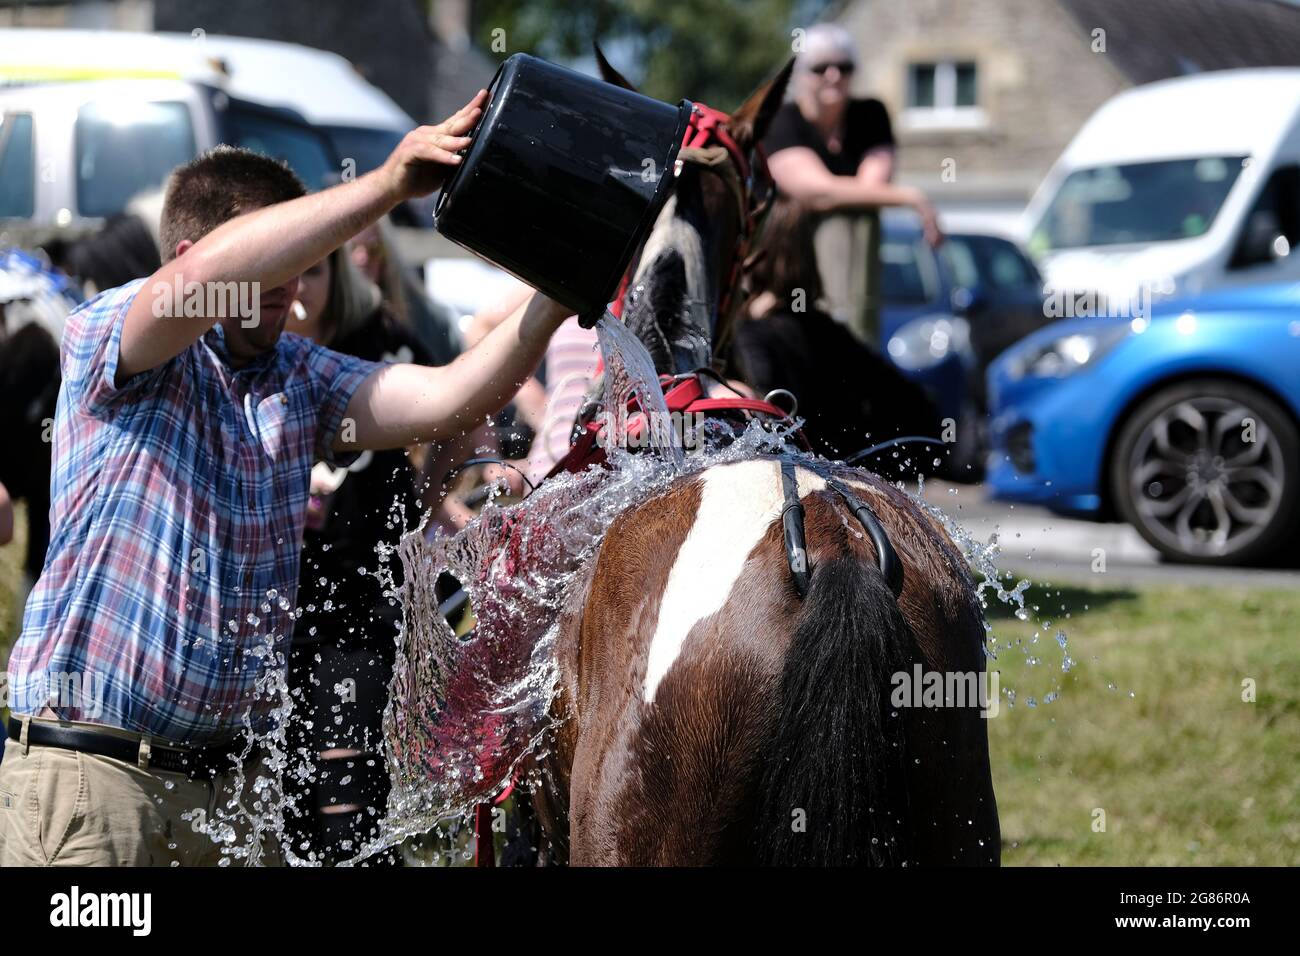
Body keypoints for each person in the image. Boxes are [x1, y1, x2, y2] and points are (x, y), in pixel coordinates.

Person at [0, 90, 574, 866]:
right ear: (186, 258)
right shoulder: (114, 331)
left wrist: (558, 294)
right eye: (273, 265)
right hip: (95, 780)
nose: (294, 288)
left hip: (233, 797)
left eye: (302, 270)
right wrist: (387, 183)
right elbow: (210, 274)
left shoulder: (297, 373)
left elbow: (449, 395)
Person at [280, 245, 433, 865]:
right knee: (286, 801)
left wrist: (422, 496)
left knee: (350, 808)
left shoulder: (377, 342)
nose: (297, 289)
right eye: (285, 272)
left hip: (359, 604)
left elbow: (461, 420)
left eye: (312, 271)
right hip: (276, 611)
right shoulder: (254, 359)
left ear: (334, 274)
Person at [731, 195, 941, 472]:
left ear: (755, 249)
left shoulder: (748, 333)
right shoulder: (827, 330)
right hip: (841, 477)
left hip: (789, 480)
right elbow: (914, 403)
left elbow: (764, 418)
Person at [763, 23, 941, 343]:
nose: (833, 75)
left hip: (850, 267)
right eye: (821, 68)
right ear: (800, 76)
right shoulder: (781, 120)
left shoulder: (870, 115)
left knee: (856, 215)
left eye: (843, 67)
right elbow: (817, 194)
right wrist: (911, 197)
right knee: (842, 212)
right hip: (782, 268)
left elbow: (868, 191)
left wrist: (874, 194)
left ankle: (850, 339)